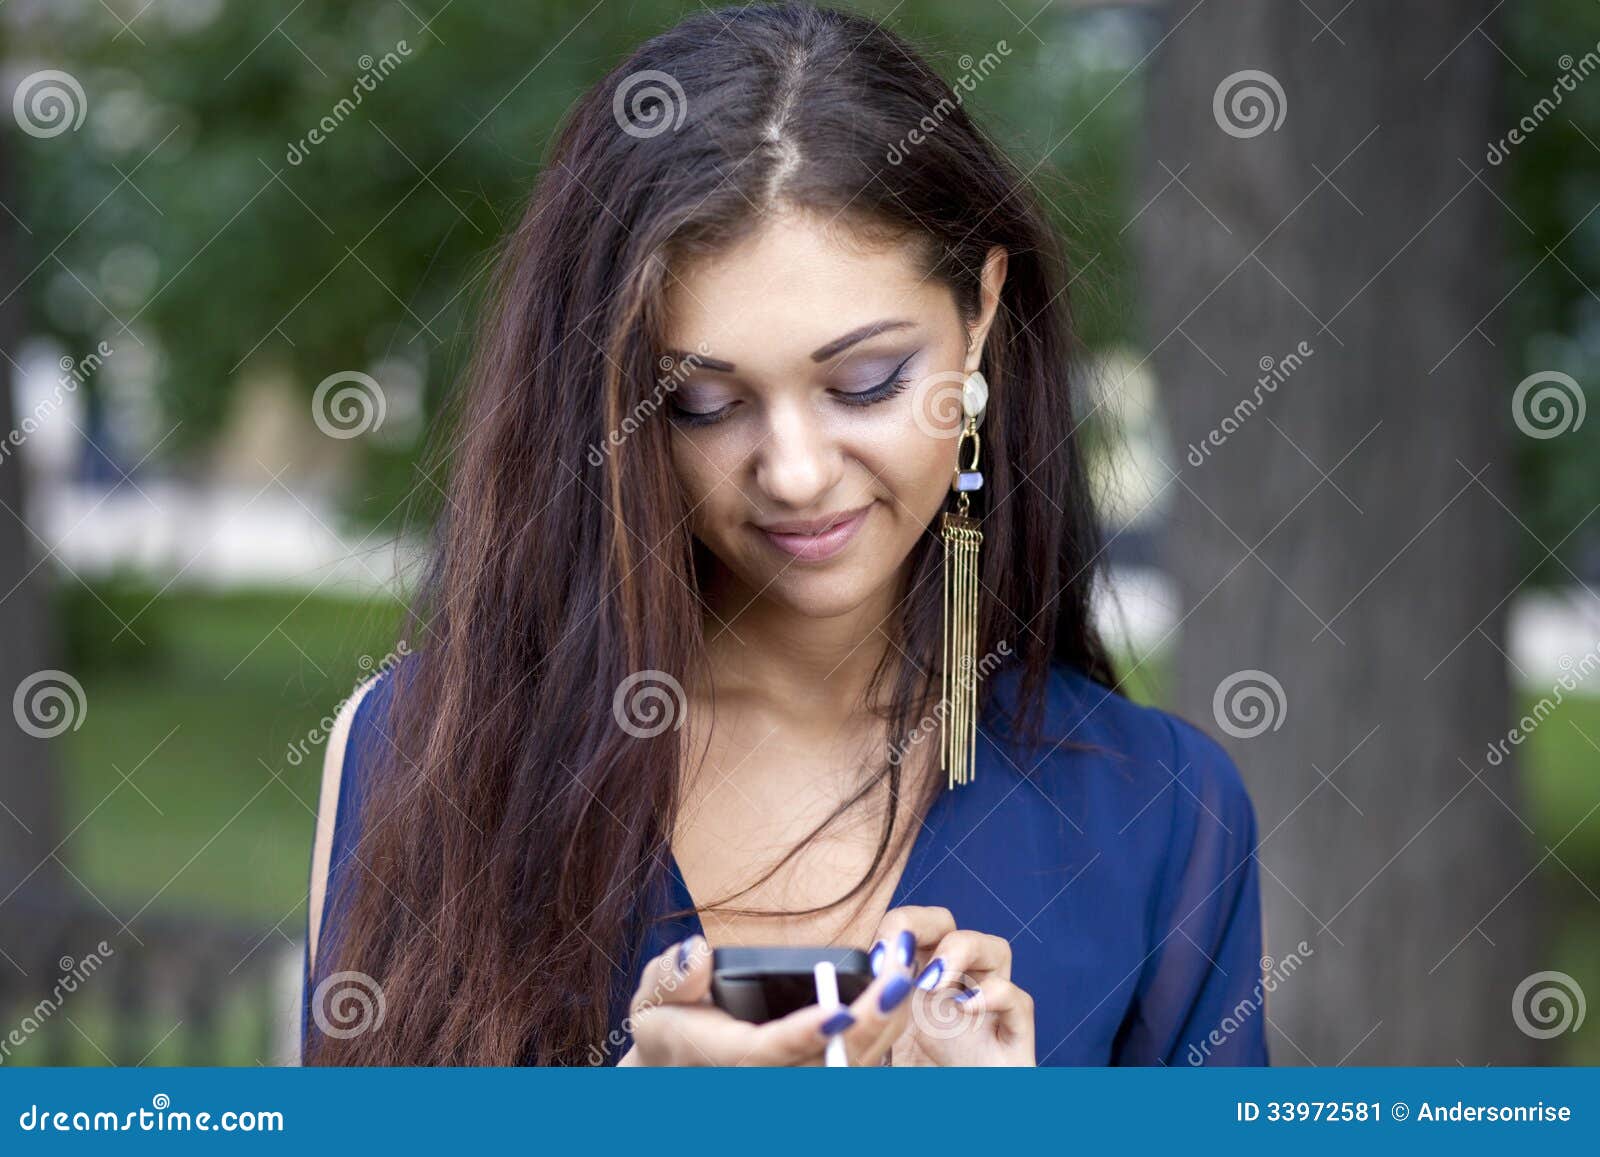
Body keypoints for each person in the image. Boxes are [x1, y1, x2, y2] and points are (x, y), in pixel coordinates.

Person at [302, 0, 1268, 1067]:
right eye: (704, 403)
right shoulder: (433, 750)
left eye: (865, 382)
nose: (796, 474)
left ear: (982, 312)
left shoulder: (1158, 815)